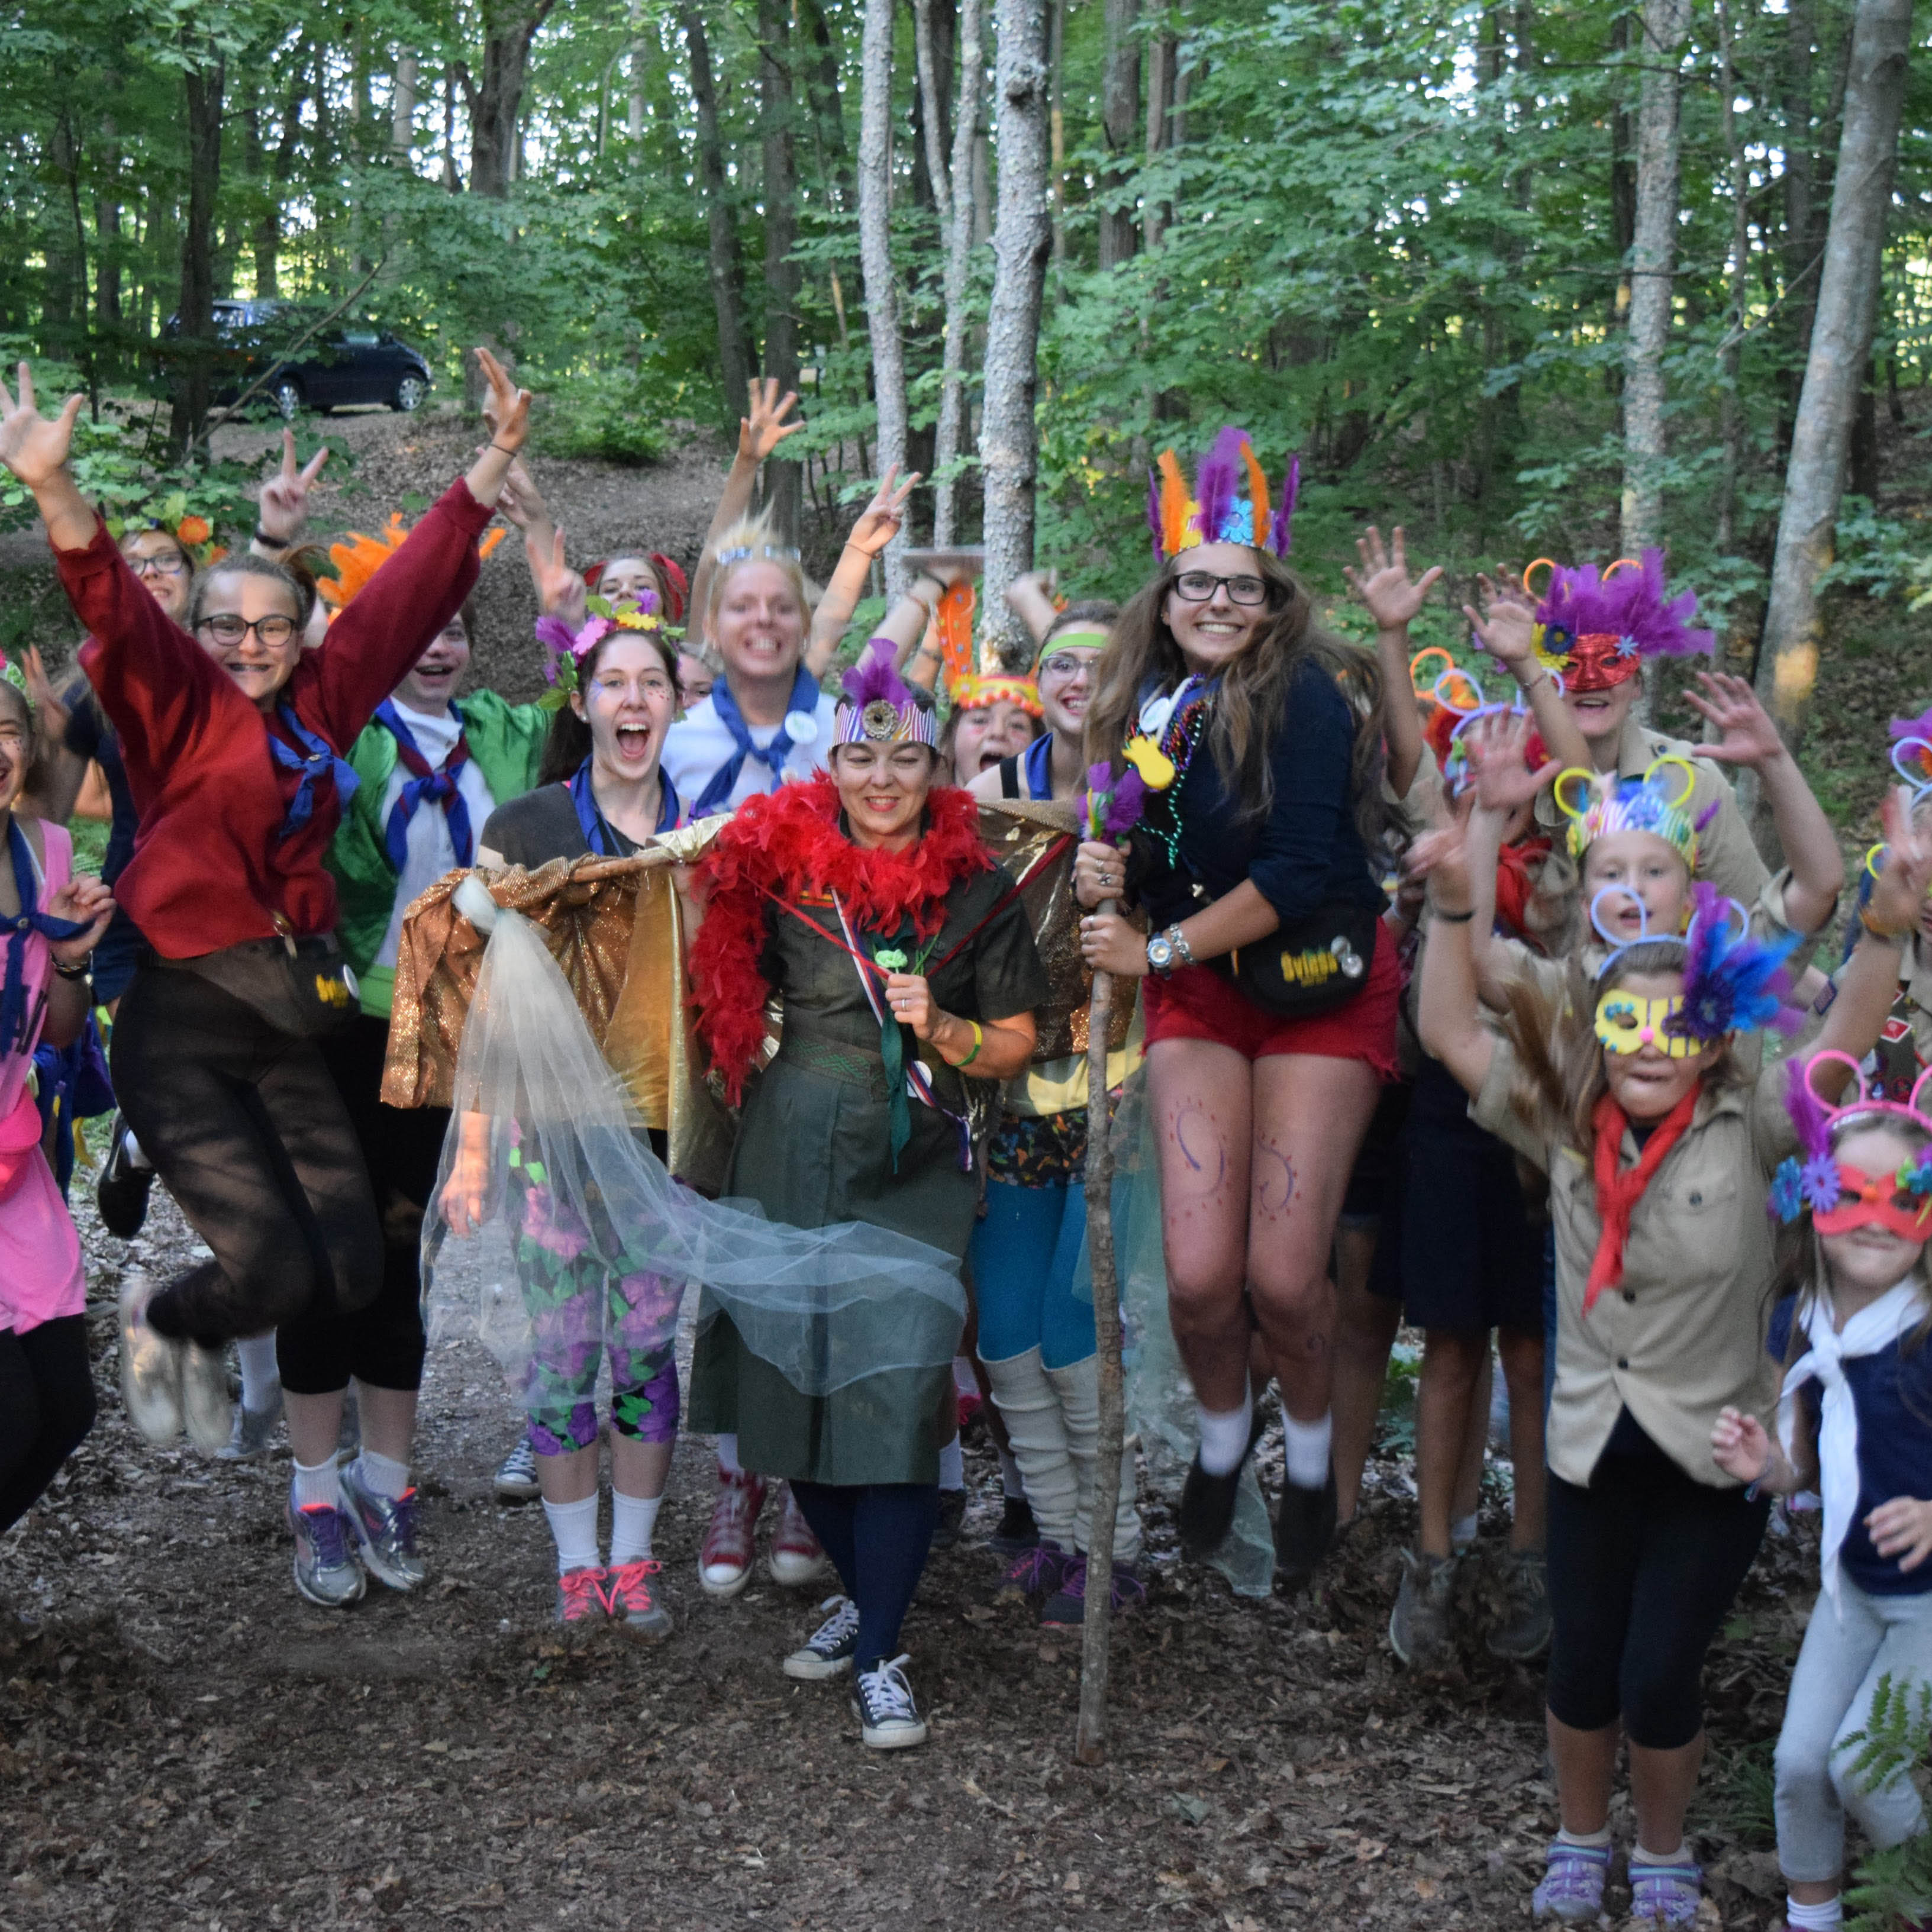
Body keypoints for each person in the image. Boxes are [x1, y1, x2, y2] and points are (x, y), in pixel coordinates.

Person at [0, 349, 530, 1584]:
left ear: (303, 635)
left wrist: (492, 467)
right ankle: (160, 1320)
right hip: (184, 1019)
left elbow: (402, 605)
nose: (249, 643)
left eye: (272, 626)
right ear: (200, 638)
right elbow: (116, 610)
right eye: (227, 625)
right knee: (282, 1268)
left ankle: (236, 1360)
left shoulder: (322, 707)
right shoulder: (173, 707)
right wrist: (57, 490)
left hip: (296, 1011)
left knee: (354, 1263)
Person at [1415, 785, 1928, 1927]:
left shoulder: (1757, 1125)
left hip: (1716, 1449)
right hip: (1590, 1443)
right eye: (1626, 1026)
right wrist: (1454, 913)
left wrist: (1885, 930)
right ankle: (1577, 1837)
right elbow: (1452, 1034)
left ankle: (1659, 1853)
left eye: (1678, 1027)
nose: (1652, 1048)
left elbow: (1841, 1048)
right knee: (1582, 1666)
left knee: (1657, 1674)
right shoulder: (1561, 1116)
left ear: (1715, 1032)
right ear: (1595, 1033)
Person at [685, 640, 1047, 1747]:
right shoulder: (775, 867)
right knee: (793, 1400)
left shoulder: (981, 891)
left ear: (938, 762)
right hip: (788, 1146)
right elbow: (701, 980)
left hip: (915, 1165)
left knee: (892, 1402)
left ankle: (883, 1649)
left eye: (903, 756)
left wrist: (940, 1026)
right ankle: (867, 1603)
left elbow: (1020, 1045)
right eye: (859, 754)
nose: (881, 778)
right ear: (831, 762)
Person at [1075, 426, 1400, 1589]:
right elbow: (1151, 844)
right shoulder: (1149, 712)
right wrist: (1108, 870)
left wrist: (1150, 940)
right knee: (1203, 1277)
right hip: (1204, 987)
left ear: (1273, 601)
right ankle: (1225, 1438)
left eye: (1241, 585)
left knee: (1280, 1274)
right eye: (1195, 582)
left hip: (1316, 986)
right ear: (1165, 600)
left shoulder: (1307, 696)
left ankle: (1307, 1456)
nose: (1216, 601)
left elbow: (1303, 870)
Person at [663, 476, 916, 1598]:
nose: (761, 625)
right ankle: (739, 1467)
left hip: (826, 1019)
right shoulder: (670, 742)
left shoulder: (835, 729)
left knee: (824, 1245)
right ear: (711, 628)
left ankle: (823, 1466)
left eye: (782, 608)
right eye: (741, 608)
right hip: (714, 1016)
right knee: (735, 1246)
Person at [440, 596, 691, 1630]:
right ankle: (573, 1569)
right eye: (614, 684)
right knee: (564, 1350)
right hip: (548, 1146)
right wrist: (472, 1150)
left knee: (645, 1349)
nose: (633, 701)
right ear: (583, 704)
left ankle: (633, 1565)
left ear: (678, 703)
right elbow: (491, 1004)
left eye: (652, 684)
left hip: (663, 1143)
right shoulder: (527, 826)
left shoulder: (702, 829)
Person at [1713, 1073, 1932, 1932]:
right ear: (1809, 1197)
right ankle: (1815, 1918)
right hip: (1853, 1591)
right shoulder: (1799, 1320)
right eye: (1852, 1191)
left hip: (1927, 1604)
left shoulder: (1923, 1330)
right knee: (1801, 1762)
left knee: (1863, 1766)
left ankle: (1913, 1894)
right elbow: (1800, 1465)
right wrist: (1766, 1462)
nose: (1877, 1216)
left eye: (1905, 1193)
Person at [0, 662, 114, 1557]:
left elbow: (60, 1025)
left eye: (5, 731)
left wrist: (71, 957)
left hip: (12, 1171)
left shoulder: (46, 852)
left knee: (65, 1407)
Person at [969, 601, 1117, 806]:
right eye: (1063, 665)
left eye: (1101, 667)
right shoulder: (987, 795)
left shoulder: (1157, 786)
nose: (1081, 681)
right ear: (1039, 685)